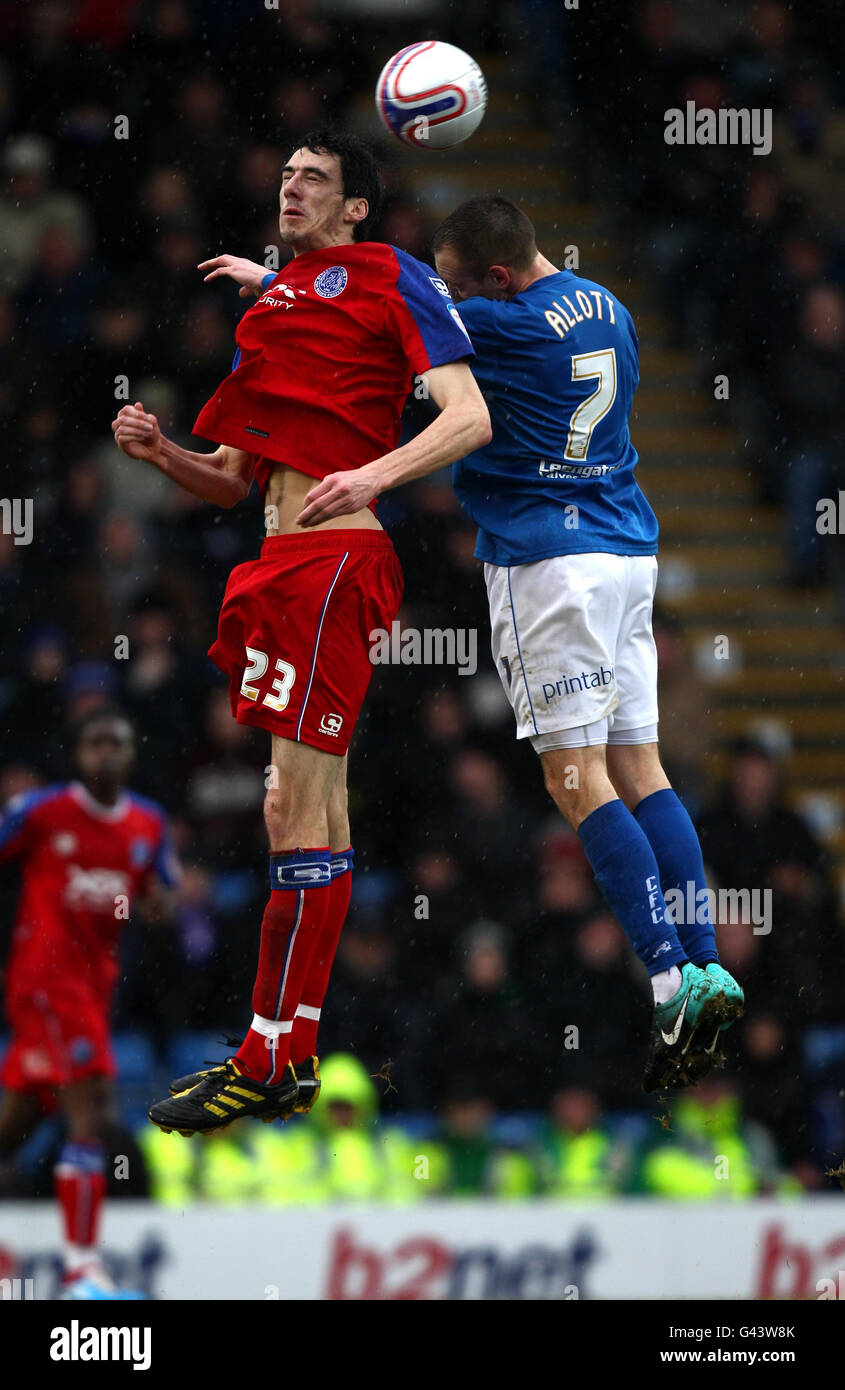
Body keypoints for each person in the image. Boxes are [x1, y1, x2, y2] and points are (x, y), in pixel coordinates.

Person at [303, 194, 744, 1092]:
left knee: (571, 778)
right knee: (642, 770)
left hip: (549, 565)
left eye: (467, 283)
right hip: (627, 552)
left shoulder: (500, 326)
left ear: (495, 279)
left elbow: (397, 323)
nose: (458, 295)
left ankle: (663, 977)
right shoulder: (607, 304)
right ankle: (703, 962)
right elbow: (432, 293)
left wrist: (282, 282)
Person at [112, 128, 490, 1136]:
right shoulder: (274, 312)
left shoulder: (391, 273)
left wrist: (373, 475)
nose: (290, 185)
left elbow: (466, 416)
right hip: (278, 562)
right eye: (283, 173)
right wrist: (161, 456)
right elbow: (231, 478)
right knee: (292, 806)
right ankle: (287, 1049)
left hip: (334, 558)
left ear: (356, 206)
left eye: (314, 178)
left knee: (308, 802)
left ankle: (266, 1052)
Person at [0, 707, 179, 1298]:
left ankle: (82, 1266)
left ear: (131, 753)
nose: (107, 751)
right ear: (77, 754)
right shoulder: (43, 812)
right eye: (96, 742)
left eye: (118, 742)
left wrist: (158, 904)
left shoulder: (149, 825)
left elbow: (161, 895)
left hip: (93, 988)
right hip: (43, 982)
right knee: (93, 1107)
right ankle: (83, 1270)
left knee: (17, 1121)